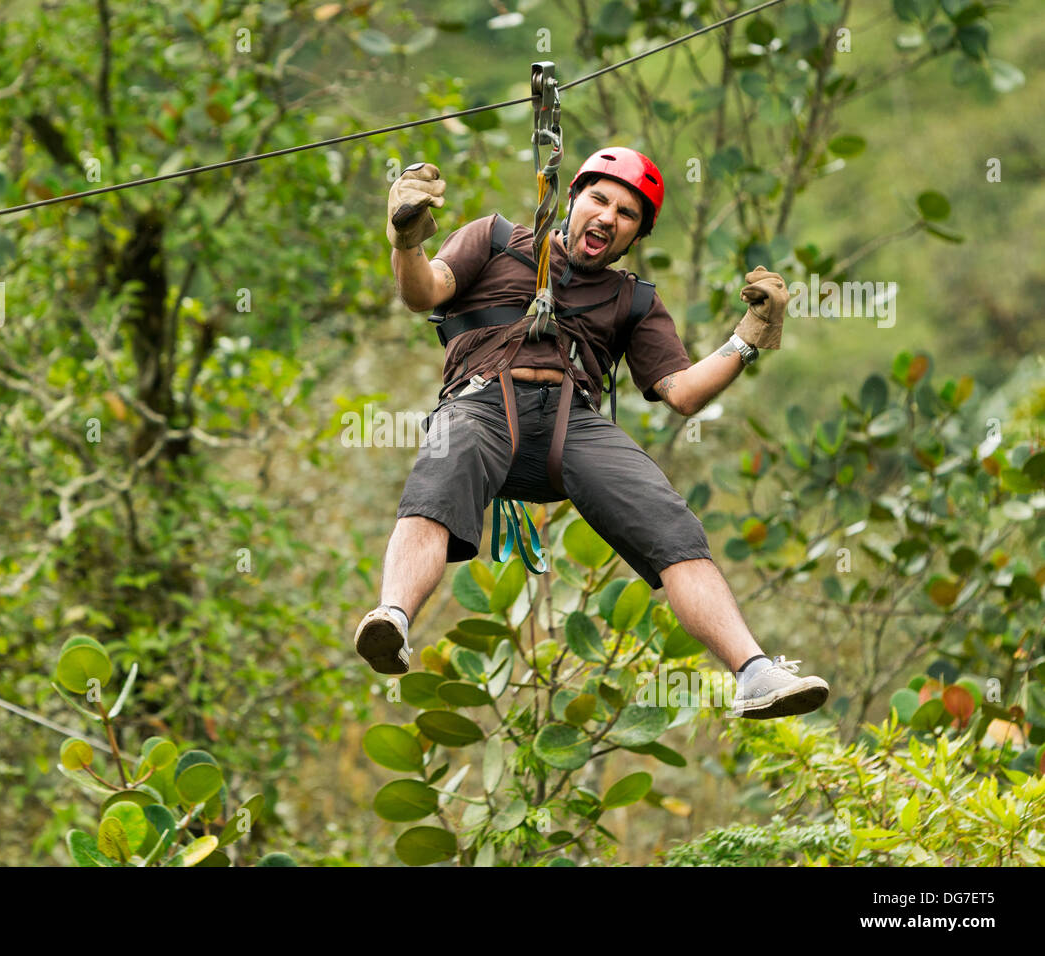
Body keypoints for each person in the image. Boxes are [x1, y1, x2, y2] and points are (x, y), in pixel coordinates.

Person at [353, 147, 828, 719]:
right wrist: (407, 240)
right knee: (442, 470)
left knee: (671, 523)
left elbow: (682, 393)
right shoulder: (495, 239)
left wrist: (747, 337)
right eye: (600, 199)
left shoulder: (634, 300)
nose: (608, 217)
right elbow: (422, 292)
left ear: (634, 237)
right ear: (572, 197)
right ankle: (394, 619)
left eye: (626, 214)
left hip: (571, 425)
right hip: (482, 403)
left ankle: (754, 672)